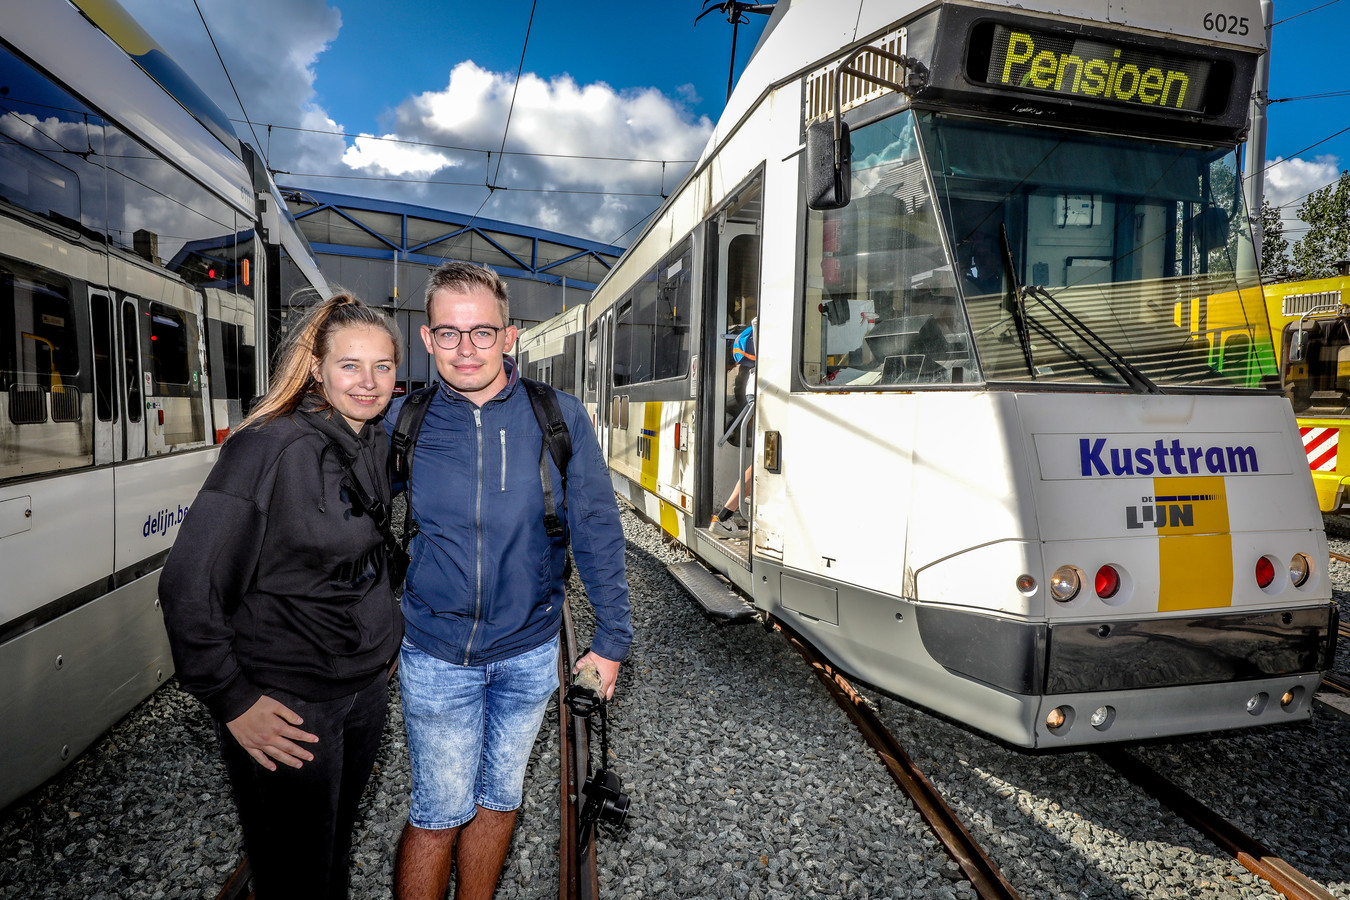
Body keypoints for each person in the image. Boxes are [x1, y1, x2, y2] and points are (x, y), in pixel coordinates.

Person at [390, 262, 632, 900]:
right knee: (437, 815)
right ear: (426, 338)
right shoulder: (402, 423)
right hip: (436, 655)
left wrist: (611, 640)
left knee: (500, 801)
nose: (465, 348)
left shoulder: (559, 418)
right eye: (448, 332)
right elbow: (337, 517)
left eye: (481, 332)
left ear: (510, 336)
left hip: (527, 654)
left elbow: (598, 531)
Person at [158, 293, 404, 899]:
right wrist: (234, 700)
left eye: (383, 367)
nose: (368, 383)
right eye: (350, 365)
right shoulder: (268, 447)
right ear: (317, 367)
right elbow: (188, 585)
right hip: (292, 701)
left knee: (331, 853)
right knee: (295, 872)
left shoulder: (372, 440)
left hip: (363, 689)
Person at [710, 317, 756, 536]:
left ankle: (725, 516)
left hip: (754, 395)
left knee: (760, 463)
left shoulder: (745, 373)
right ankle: (725, 517)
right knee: (760, 464)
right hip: (761, 396)